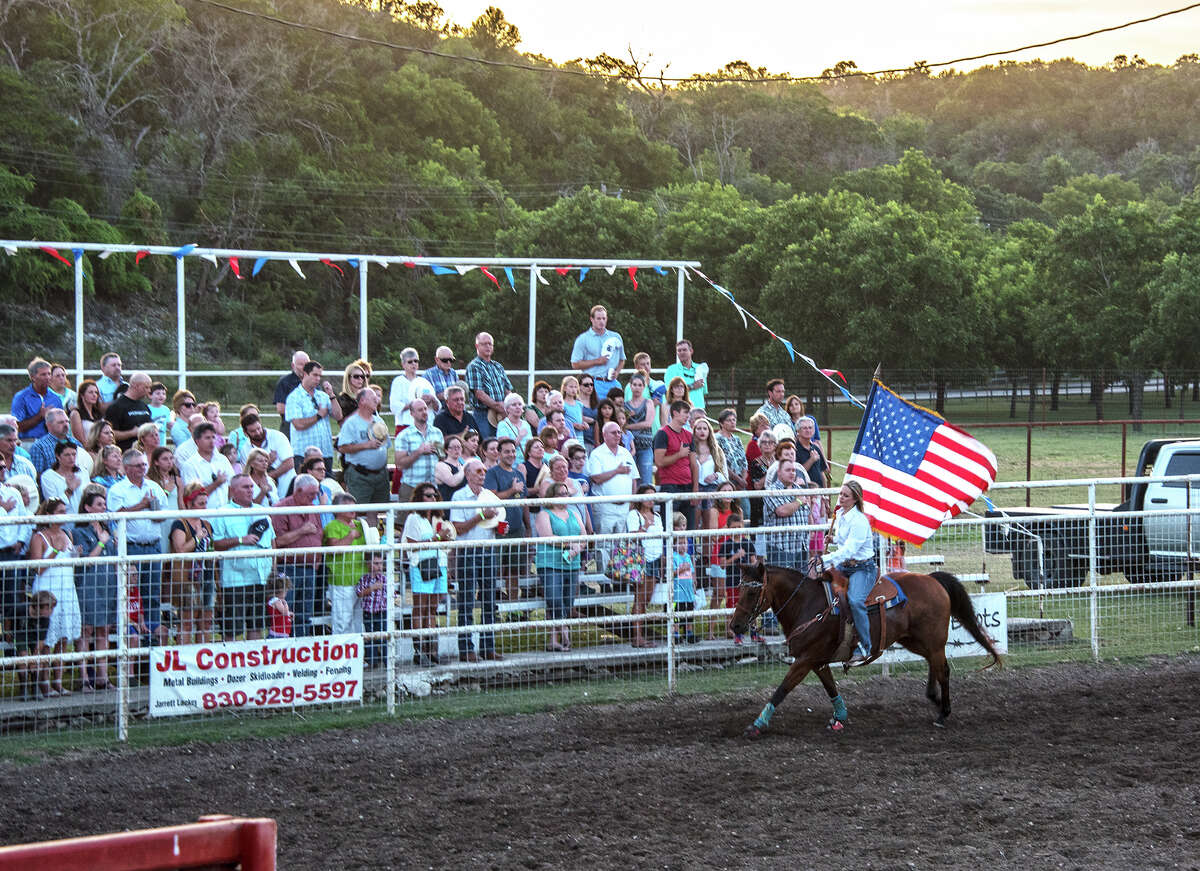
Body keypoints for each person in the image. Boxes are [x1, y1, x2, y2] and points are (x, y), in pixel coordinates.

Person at [108, 448, 170, 631]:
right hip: (131, 547)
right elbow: (115, 515)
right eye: (138, 465)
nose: (142, 469)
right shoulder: (117, 490)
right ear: (126, 468)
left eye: (144, 465)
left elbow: (165, 514)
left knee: (152, 593)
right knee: (130, 593)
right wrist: (141, 506)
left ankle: (152, 635)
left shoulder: (154, 487)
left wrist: (155, 513)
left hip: (153, 546)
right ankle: (130, 634)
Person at [450, 458, 503, 662]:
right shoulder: (459, 496)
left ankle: (488, 647)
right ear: (468, 474)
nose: (482, 474)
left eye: (484, 471)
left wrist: (500, 527)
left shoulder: (489, 495)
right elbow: (458, 528)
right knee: (467, 601)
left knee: (490, 600)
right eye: (478, 471)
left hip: (488, 550)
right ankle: (466, 649)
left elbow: (494, 522)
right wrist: (481, 515)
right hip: (468, 551)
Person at [212, 474, 275, 640]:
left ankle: (253, 664)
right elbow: (216, 544)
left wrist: (273, 571)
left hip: (261, 577)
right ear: (233, 491)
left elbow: (272, 543)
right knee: (231, 629)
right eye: (245, 487)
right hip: (235, 580)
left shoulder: (263, 511)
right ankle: (231, 664)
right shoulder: (222, 513)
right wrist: (240, 540)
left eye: (251, 486)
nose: (250, 490)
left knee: (256, 625)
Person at [28, 499, 81, 694]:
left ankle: (58, 681)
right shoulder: (39, 537)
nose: (64, 514)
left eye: (65, 511)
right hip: (47, 589)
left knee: (62, 639)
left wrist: (75, 554)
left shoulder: (68, 534)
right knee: (47, 639)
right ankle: (43, 682)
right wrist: (56, 550)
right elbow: (38, 568)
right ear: (50, 514)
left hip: (66, 588)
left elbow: (71, 562)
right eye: (60, 511)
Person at [824, 480, 875, 667]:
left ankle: (866, 647)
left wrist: (826, 559)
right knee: (818, 585)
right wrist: (834, 538)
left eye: (846, 496)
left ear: (855, 499)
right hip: (845, 566)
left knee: (855, 601)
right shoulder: (840, 514)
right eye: (841, 494)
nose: (841, 498)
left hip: (863, 568)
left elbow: (850, 550)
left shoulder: (860, 520)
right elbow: (845, 540)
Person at [72, 489, 119, 690]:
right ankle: (84, 678)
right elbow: (87, 561)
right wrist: (102, 542)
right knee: (86, 630)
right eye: (99, 504)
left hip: (108, 584)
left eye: (104, 504)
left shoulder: (108, 529)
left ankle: (103, 677)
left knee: (104, 630)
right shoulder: (79, 531)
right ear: (87, 507)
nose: (103, 507)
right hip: (88, 585)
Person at [404, 482, 452, 666]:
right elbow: (411, 544)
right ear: (419, 498)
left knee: (432, 608)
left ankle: (432, 650)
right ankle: (419, 650)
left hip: (439, 563)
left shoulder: (438, 518)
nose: (432, 499)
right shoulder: (414, 518)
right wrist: (435, 539)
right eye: (428, 495)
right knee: (420, 608)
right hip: (421, 565)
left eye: (435, 495)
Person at [534, 480, 585, 652]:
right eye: (561, 494)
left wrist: (579, 546)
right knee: (554, 599)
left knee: (567, 601)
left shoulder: (574, 514)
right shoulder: (544, 514)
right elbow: (548, 535)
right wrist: (570, 544)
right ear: (552, 496)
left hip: (572, 563)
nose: (565, 497)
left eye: (566, 494)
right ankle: (564, 630)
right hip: (550, 563)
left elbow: (584, 534)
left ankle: (554, 640)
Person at [272, 473, 325, 637]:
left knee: (305, 613)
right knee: (286, 611)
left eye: (316, 494)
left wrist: (316, 562)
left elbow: (319, 534)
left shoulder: (313, 508)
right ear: (298, 491)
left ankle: (301, 648)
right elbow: (278, 540)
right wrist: (302, 531)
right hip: (289, 568)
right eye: (311, 494)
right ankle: (285, 650)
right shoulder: (281, 509)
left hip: (310, 569)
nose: (314, 498)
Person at [169, 483, 216, 645]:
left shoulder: (207, 525)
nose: (204, 508)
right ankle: (185, 657)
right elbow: (180, 550)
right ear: (189, 503)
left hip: (207, 576)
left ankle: (203, 656)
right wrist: (196, 538)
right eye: (200, 504)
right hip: (187, 579)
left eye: (205, 503)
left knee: (206, 621)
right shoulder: (180, 524)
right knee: (187, 621)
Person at [337, 387, 390, 520]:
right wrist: (366, 445)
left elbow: (386, 445)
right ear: (362, 401)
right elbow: (342, 447)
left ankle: (374, 537)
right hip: (360, 475)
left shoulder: (379, 421)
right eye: (373, 399)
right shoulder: (351, 423)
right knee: (356, 511)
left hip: (380, 475)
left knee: (376, 511)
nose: (377, 401)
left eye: (377, 399)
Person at [486, 438, 528, 603]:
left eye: (513, 451)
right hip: (498, 529)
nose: (511, 454)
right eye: (507, 451)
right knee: (495, 568)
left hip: (517, 528)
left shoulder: (518, 474)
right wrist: (512, 490)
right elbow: (491, 496)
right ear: (499, 453)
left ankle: (513, 607)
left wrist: (528, 527)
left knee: (514, 569)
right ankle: (492, 605)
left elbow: (524, 501)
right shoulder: (492, 473)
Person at [586, 419, 639, 548]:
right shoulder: (597, 454)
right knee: (604, 547)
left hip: (625, 507)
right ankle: (603, 570)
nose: (617, 435)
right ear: (604, 435)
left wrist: (633, 500)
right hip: (605, 508)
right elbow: (596, 478)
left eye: (619, 432)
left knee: (621, 548)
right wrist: (617, 471)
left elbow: (634, 478)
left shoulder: (626, 452)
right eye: (613, 433)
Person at [285, 360, 342, 476]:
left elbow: (338, 416)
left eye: (320, 376)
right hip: (304, 455)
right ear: (305, 374)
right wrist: (319, 416)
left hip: (325, 453)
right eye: (315, 375)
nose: (318, 379)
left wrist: (331, 395)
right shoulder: (294, 397)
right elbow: (298, 424)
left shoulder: (323, 396)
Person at [323, 493, 367, 635]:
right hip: (342, 581)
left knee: (358, 621)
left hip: (362, 581)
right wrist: (351, 536)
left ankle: (358, 653)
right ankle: (342, 654)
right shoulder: (332, 526)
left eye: (353, 505)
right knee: (342, 621)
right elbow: (334, 549)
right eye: (347, 505)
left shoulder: (361, 525)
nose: (352, 509)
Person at [626, 484, 663, 648]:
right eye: (647, 495)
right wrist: (645, 527)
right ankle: (637, 637)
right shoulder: (634, 515)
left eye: (653, 495)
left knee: (646, 598)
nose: (651, 499)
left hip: (656, 558)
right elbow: (632, 536)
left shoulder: (658, 515)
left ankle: (640, 634)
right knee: (639, 599)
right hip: (641, 559)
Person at [716, 514, 758, 643]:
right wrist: (735, 557)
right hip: (732, 581)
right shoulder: (726, 545)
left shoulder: (747, 542)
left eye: (739, 527)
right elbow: (722, 565)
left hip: (747, 582)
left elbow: (754, 561)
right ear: (728, 528)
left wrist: (752, 568)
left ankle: (754, 633)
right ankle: (737, 635)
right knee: (734, 607)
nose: (737, 530)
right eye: (733, 527)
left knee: (751, 606)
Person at [394, 396, 443, 504]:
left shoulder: (437, 433)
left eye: (425, 409)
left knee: (433, 520)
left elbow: (442, 459)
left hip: (433, 487)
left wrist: (439, 452)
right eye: (420, 410)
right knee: (406, 521)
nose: (424, 412)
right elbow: (400, 465)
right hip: (411, 487)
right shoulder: (404, 436)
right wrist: (419, 452)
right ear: (412, 413)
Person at [653, 399, 694, 528]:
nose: (688, 416)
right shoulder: (662, 434)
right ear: (675, 413)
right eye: (685, 413)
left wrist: (695, 489)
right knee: (670, 526)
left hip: (688, 486)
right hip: (670, 486)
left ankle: (689, 549)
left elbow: (694, 464)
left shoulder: (689, 435)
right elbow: (659, 461)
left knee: (689, 528)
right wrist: (679, 455)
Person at [764, 459, 810, 573]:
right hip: (781, 548)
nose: (792, 473)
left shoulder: (799, 489)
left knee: (801, 586)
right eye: (788, 470)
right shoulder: (772, 491)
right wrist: (798, 502)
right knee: (781, 588)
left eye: (794, 470)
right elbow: (782, 511)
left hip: (801, 546)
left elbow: (807, 513)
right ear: (779, 472)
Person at [571, 304, 625, 399]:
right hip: (593, 384)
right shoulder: (583, 339)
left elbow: (622, 359)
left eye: (604, 318)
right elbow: (575, 364)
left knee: (618, 412)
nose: (602, 321)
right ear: (592, 319)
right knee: (595, 413)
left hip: (613, 384)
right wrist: (596, 361)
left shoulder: (616, 337)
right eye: (598, 318)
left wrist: (617, 372)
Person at [464, 332, 512, 439]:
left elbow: (508, 389)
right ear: (477, 346)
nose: (488, 346)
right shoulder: (474, 367)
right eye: (484, 344)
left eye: (490, 344)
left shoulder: (498, 366)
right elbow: (479, 394)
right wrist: (499, 407)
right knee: (487, 444)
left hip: (502, 413)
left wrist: (509, 405)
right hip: (483, 415)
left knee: (505, 443)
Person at [236, 412, 295, 497]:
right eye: (253, 431)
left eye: (259, 428)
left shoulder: (278, 436)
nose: (258, 432)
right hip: (263, 496)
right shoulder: (245, 450)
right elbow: (248, 474)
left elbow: (289, 464)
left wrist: (267, 477)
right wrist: (268, 461)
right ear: (245, 433)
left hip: (288, 488)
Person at [13, 590, 55, 701]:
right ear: (37, 607)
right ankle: (24, 686)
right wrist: (8, 632)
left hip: (35, 637)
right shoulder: (21, 609)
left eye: (52, 608)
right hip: (21, 634)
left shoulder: (45, 619)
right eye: (49, 608)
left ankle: (35, 686)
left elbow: (41, 641)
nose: (51, 611)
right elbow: (8, 618)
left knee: (38, 660)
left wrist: (34, 659)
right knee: (23, 657)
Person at [182, 422, 234, 508]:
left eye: (213, 437)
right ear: (197, 441)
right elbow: (191, 496)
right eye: (207, 438)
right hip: (204, 516)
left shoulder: (223, 459)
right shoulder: (190, 465)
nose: (212, 441)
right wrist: (216, 484)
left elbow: (232, 486)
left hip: (224, 514)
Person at [11, 357, 63, 441]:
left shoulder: (56, 398)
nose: (47, 377)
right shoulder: (21, 397)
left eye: (49, 374)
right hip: (28, 442)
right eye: (43, 374)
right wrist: (39, 416)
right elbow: (17, 427)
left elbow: (61, 426)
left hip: (52, 443)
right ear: (32, 377)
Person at [690, 417, 727, 531]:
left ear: (709, 431)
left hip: (712, 490)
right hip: (694, 490)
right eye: (699, 428)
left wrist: (715, 476)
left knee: (709, 529)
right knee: (693, 527)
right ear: (694, 431)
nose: (702, 431)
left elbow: (724, 475)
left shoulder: (716, 450)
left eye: (705, 428)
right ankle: (694, 549)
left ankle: (707, 549)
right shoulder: (690, 449)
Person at [389, 347, 437, 431]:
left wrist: (432, 399)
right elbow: (394, 406)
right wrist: (416, 403)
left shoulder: (424, 382)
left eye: (416, 361)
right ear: (403, 364)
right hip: (405, 425)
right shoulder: (398, 382)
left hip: (425, 425)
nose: (413, 364)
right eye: (410, 362)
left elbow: (436, 407)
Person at [30, 404, 86, 478]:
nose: (66, 425)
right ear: (48, 425)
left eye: (67, 421)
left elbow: (84, 466)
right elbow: (37, 475)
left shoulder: (76, 443)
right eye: (61, 422)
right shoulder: (39, 447)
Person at [104, 371, 153, 451]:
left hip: (144, 454)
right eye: (146, 387)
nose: (149, 391)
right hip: (125, 454)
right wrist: (132, 433)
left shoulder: (144, 406)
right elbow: (110, 434)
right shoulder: (116, 407)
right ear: (135, 386)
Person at [355, 552, 388, 668]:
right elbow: (359, 593)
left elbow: (392, 594)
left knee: (384, 637)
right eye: (376, 563)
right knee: (370, 638)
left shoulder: (384, 579)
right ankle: (371, 661)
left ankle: (387, 661)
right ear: (368, 564)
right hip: (369, 613)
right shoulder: (364, 579)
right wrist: (372, 588)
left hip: (382, 612)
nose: (379, 566)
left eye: (380, 564)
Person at [715, 408, 750, 516]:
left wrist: (743, 479)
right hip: (726, 480)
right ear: (721, 423)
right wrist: (738, 479)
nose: (732, 422)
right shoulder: (716, 439)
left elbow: (743, 461)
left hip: (740, 481)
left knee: (745, 511)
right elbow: (721, 462)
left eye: (734, 420)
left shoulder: (737, 439)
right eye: (729, 420)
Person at [669, 511, 696, 644]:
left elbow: (692, 572)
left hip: (688, 591)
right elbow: (671, 573)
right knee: (676, 614)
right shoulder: (673, 557)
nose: (683, 545)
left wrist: (694, 584)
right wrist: (680, 569)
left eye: (684, 543)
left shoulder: (687, 557)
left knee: (689, 612)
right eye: (679, 543)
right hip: (677, 593)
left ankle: (689, 632)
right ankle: (676, 633)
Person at [624, 373, 656, 485]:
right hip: (630, 447)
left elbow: (648, 423)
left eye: (640, 385)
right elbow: (621, 423)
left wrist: (628, 426)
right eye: (634, 385)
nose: (637, 387)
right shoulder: (625, 405)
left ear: (644, 387)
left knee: (646, 481)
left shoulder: (648, 402)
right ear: (630, 386)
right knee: (631, 482)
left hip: (645, 446)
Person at [40, 441, 89, 514]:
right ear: (58, 456)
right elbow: (52, 505)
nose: (72, 458)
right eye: (67, 455)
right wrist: (70, 490)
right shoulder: (47, 477)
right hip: (63, 522)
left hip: (84, 521)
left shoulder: (83, 472)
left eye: (74, 454)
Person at [663, 338, 708, 411]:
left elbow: (704, 392)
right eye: (679, 350)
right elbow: (669, 390)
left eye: (684, 350)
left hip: (699, 410)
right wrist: (692, 386)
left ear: (691, 351)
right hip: (679, 410)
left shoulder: (701, 368)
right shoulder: (671, 370)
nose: (682, 352)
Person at [273, 350, 308, 441]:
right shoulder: (284, 382)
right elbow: (281, 408)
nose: (305, 367)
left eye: (307, 364)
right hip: (290, 429)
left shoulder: (314, 383)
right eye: (301, 364)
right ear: (293, 366)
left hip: (310, 428)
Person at [494, 393, 533, 461]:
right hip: (510, 464)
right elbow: (505, 448)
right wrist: (520, 436)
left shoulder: (526, 424)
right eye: (514, 405)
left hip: (526, 463)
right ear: (507, 409)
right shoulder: (503, 425)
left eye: (520, 404)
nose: (517, 407)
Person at [795, 415, 828, 488]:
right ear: (798, 431)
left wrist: (825, 493)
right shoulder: (794, 450)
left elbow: (822, 472)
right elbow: (798, 473)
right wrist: (811, 460)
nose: (808, 430)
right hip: (803, 492)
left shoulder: (816, 448)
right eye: (804, 428)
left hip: (819, 491)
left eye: (810, 428)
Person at [435, 434, 467, 502]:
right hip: (447, 505)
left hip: (463, 504)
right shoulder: (441, 465)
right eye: (453, 447)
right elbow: (452, 482)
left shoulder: (463, 465)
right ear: (446, 450)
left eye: (459, 447)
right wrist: (463, 469)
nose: (456, 449)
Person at [70, 380, 104, 445]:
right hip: (86, 450)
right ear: (82, 395)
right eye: (90, 392)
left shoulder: (98, 413)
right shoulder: (76, 413)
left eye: (96, 393)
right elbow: (80, 440)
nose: (94, 395)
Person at [267, 573, 294, 638]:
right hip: (278, 633)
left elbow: (281, 612)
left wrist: (289, 613)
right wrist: (285, 604)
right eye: (286, 591)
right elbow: (284, 612)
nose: (286, 594)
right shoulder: (276, 601)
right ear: (281, 591)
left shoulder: (276, 601)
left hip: (283, 632)